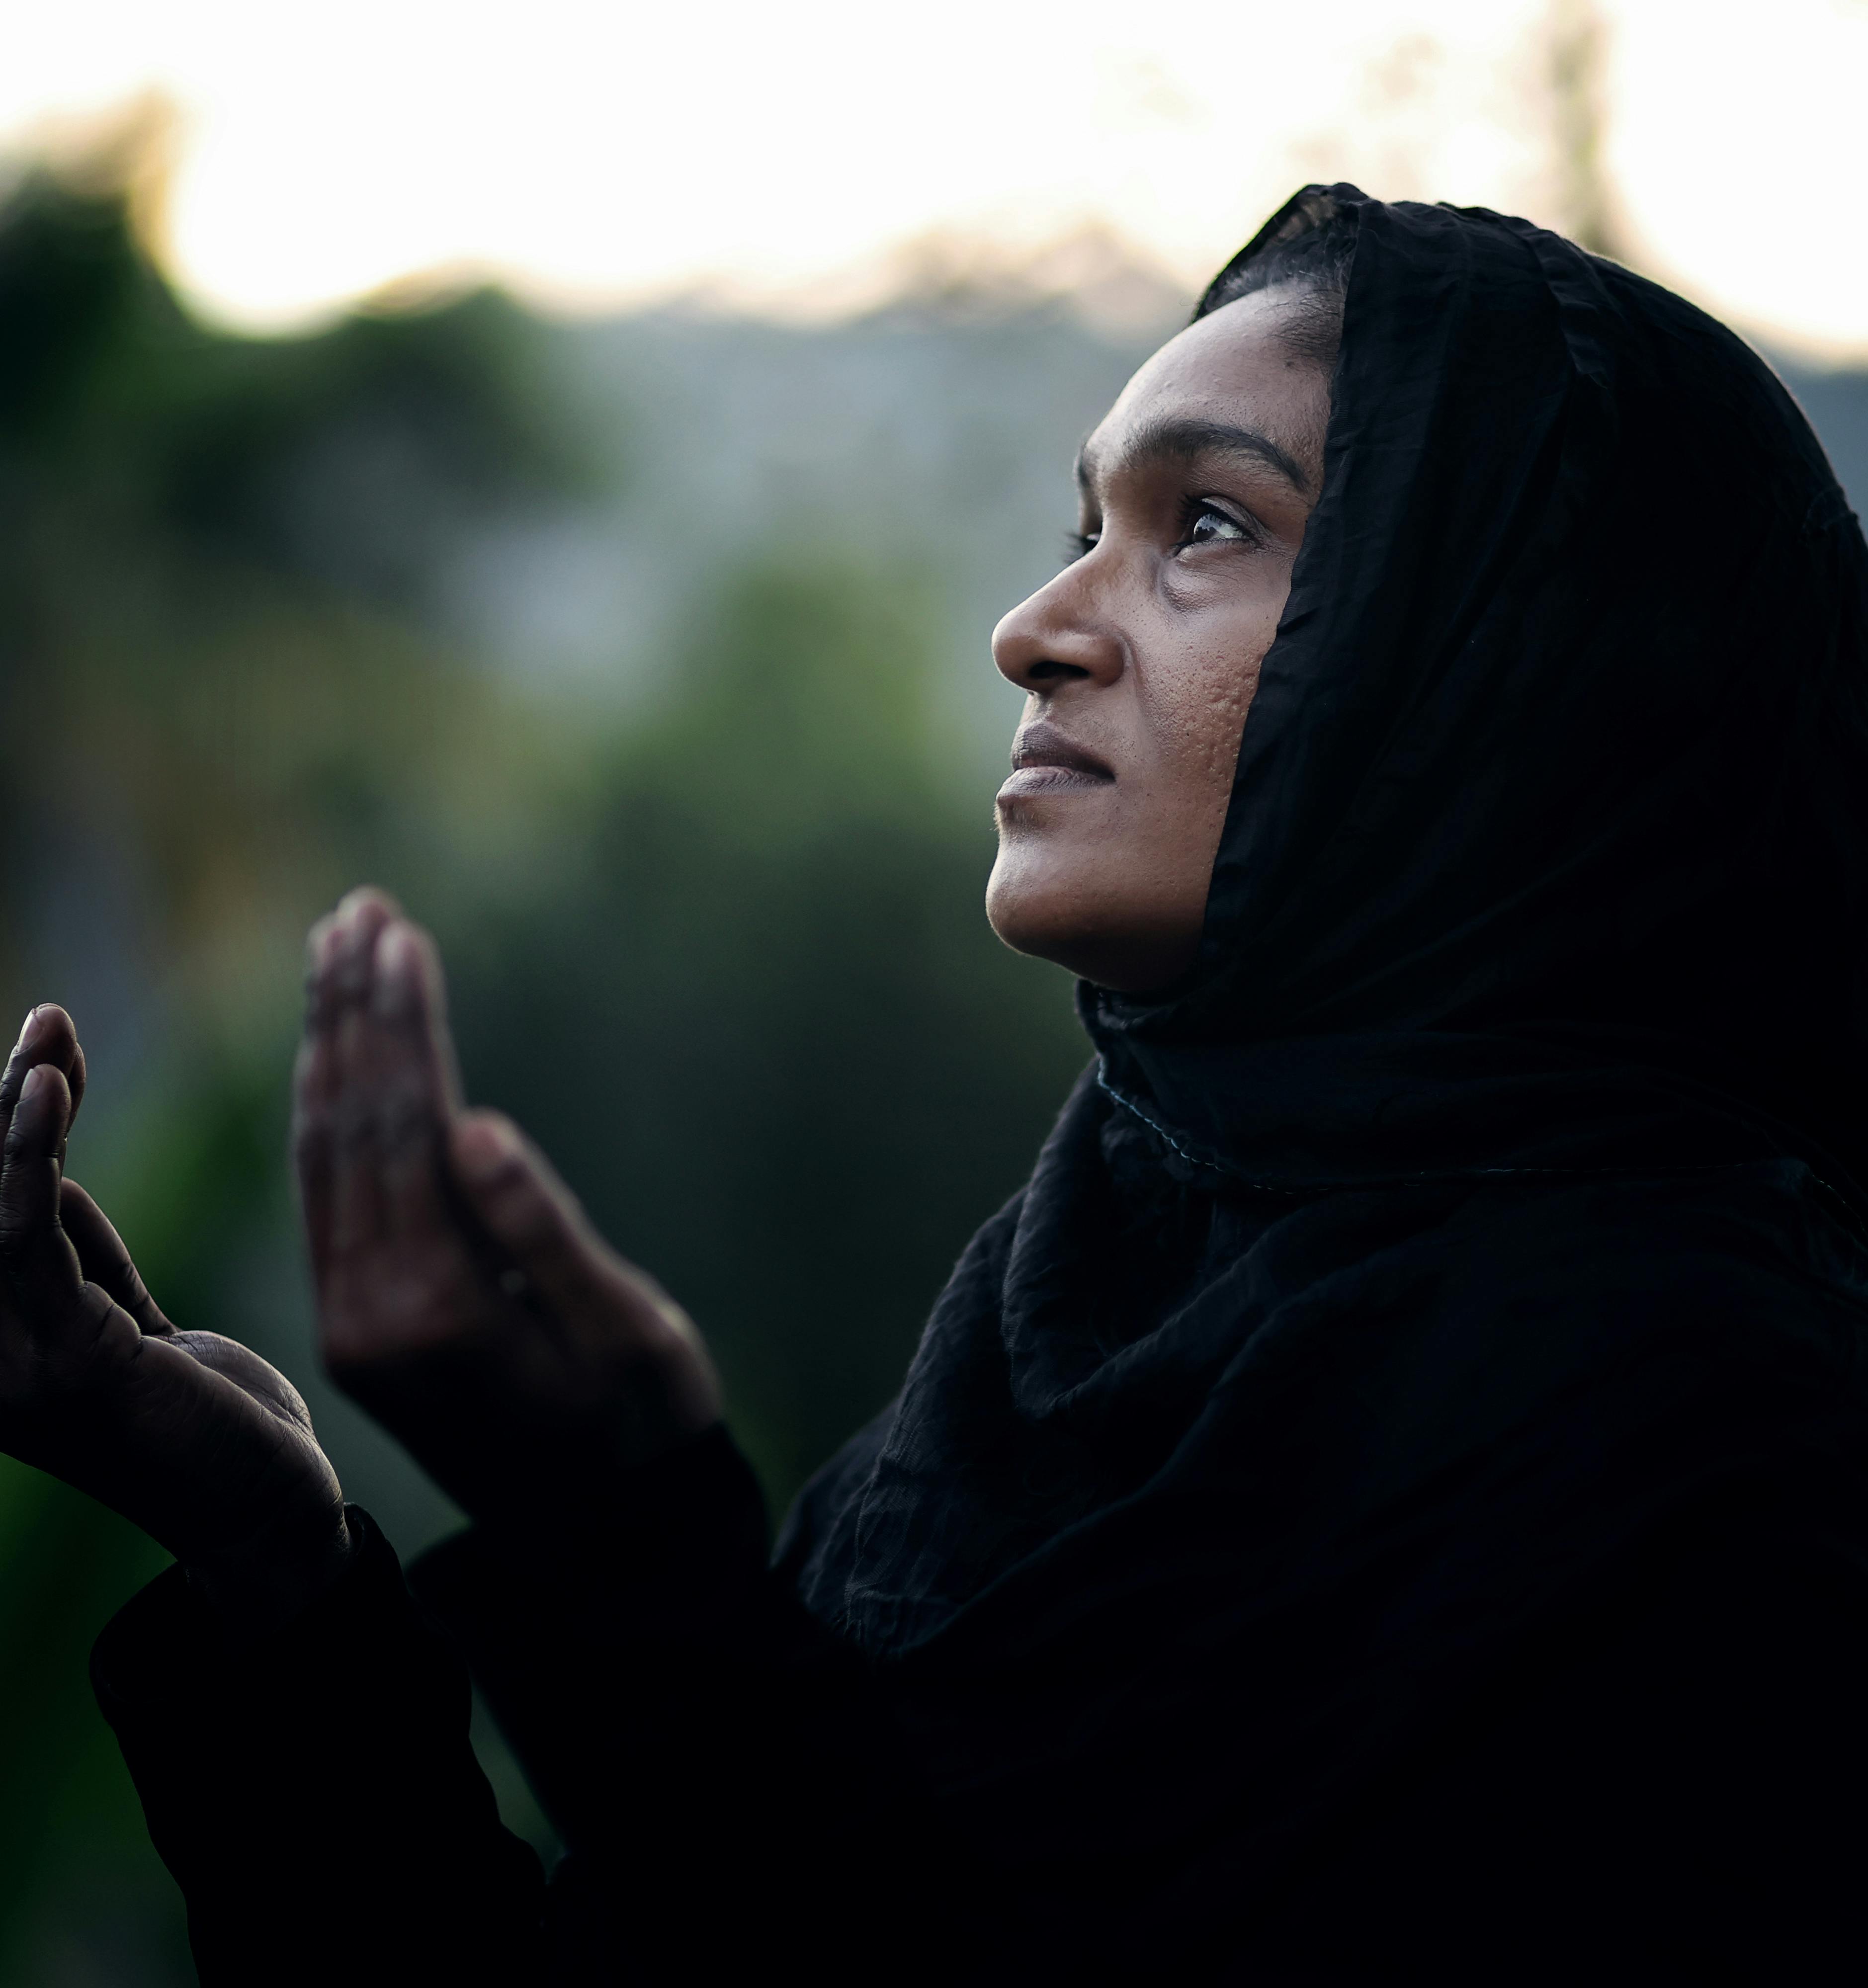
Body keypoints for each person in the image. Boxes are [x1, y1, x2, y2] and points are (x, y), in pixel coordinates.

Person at [2, 183, 1866, 1984]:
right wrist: (267, 1554)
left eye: (1208, 525)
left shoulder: (1709, 1462)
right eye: (1086, 524)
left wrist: (629, 1567)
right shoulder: (1040, 1352)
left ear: (1510, 663)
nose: (1037, 624)